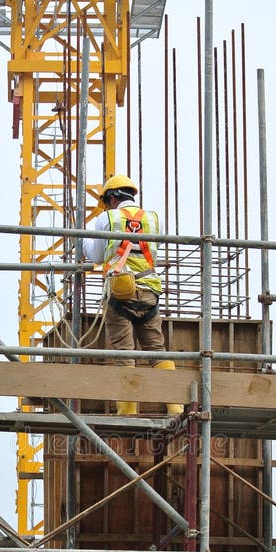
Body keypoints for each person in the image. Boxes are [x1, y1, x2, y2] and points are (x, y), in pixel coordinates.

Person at [83, 174, 183, 417]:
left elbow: (96, 256)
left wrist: (82, 241)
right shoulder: (153, 218)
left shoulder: (107, 218)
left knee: (125, 352)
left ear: (112, 198)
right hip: (150, 292)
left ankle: (128, 411)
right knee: (156, 350)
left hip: (121, 293)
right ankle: (175, 407)